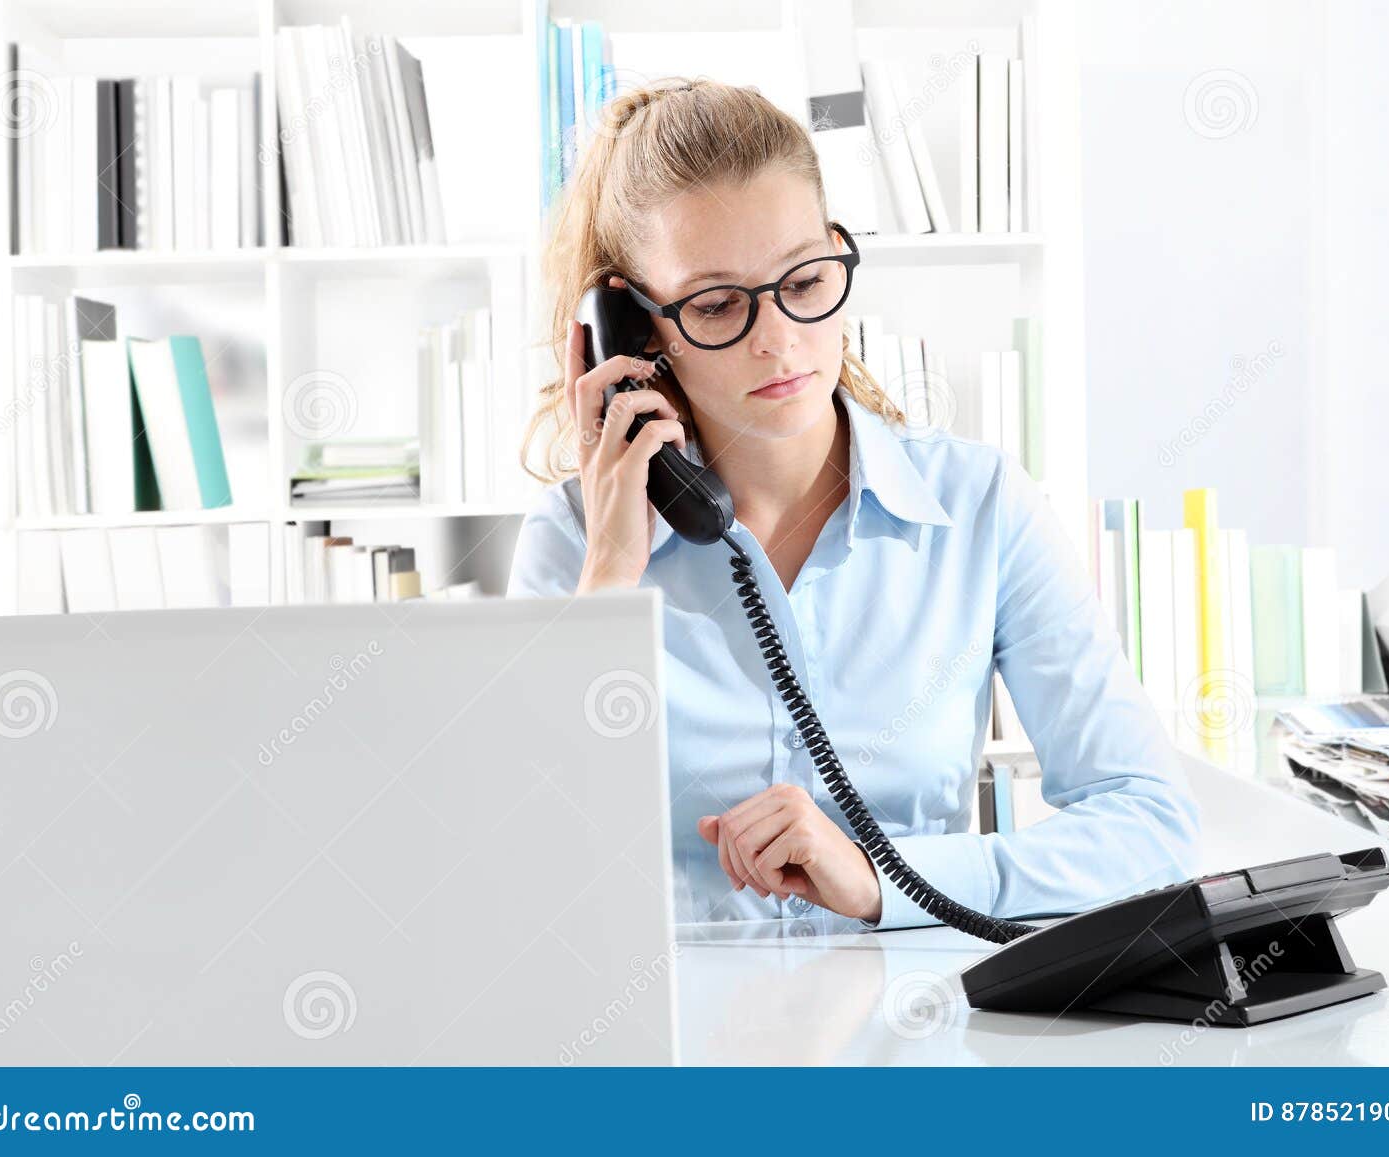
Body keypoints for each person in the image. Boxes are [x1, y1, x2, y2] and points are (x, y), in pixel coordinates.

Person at [507, 78, 1200, 931]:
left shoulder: (981, 507)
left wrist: (884, 877)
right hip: (670, 1014)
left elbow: (1150, 825)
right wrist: (611, 579)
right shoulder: (570, 544)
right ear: (636, 328)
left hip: (913, 1010)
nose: (779, 340)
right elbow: (516, 867)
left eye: (804, 280)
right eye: (717, 304)